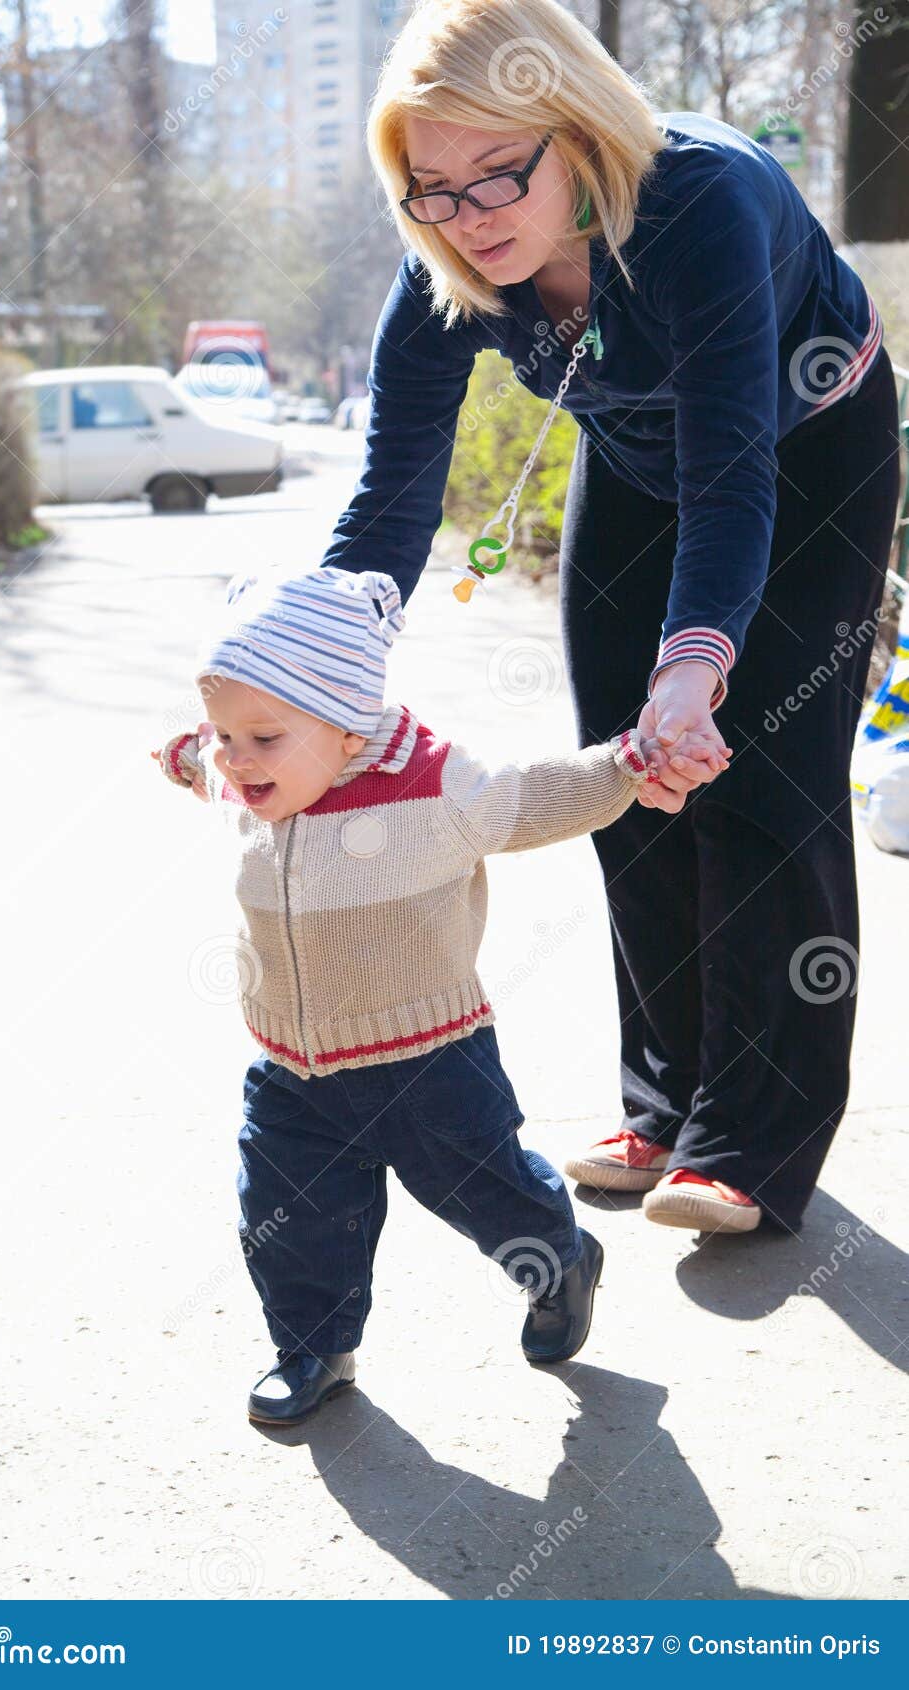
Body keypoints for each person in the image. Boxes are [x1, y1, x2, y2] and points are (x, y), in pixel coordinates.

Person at [317, 0, 902, 1236]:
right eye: (431, 187)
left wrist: (695, 666)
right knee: (627, 779)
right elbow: (388, 496)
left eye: (496, 175)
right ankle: (668, 1098)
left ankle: (752, 1141)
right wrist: (305, 681)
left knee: (756, 777)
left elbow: (732, 475)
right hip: (635, 461)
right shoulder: (444, 260)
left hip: (799, 452)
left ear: (573, 132)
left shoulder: (702, 203)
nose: (468, 218)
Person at [151, 566, 722, 1425]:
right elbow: (208, 757)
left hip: (431, 1062)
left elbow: (542, 795)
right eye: (225, 735)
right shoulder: (246, 775)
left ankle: (558, 1260)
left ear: (349, 731)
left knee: (489, 1193)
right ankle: (312, 1345)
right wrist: (190, 756)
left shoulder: (439, 786)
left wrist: (626, 764)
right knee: (288, 1215)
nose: (235, 759)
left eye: (260, 739)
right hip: (292, 1068)